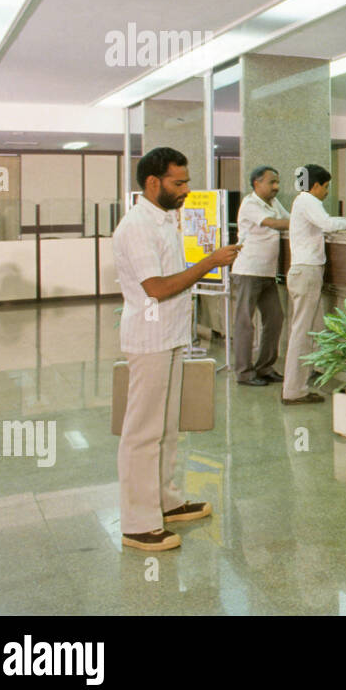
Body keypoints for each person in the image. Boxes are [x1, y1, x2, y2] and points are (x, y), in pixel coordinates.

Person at [113, 146, 241, 551]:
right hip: (149, 338)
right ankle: (137, 521)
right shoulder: (137, 226)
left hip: (169, 336)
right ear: (154, 183)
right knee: (142, 431)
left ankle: (165, 501)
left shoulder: (165, 219)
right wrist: (210, 262)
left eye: (187, 181)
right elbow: (157, 288)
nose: (186, 189)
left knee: (167, 427)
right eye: (178, 182)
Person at [281, 163, 346, 405]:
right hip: (307, 272)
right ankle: (292, 390)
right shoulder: (308, 201)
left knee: (307, 332)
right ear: (315, 185)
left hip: (304, 272)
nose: (327, 192)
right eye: (326, 187)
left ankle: (300, 385)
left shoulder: (302, 202)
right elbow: (328, 224)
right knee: (301, 333)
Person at [232, 166, 290, 386]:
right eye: (271, 182)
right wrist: (305, 222)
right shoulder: (250, 204)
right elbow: (274, 223)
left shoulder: (273, 203)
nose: (276, 186)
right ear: (257, 183)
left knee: (275, 318)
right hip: (248, 271)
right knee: (244, 323)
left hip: (267, 273)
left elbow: (287, 218)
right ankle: (244, 373)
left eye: (277, 182)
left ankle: (265, 367)